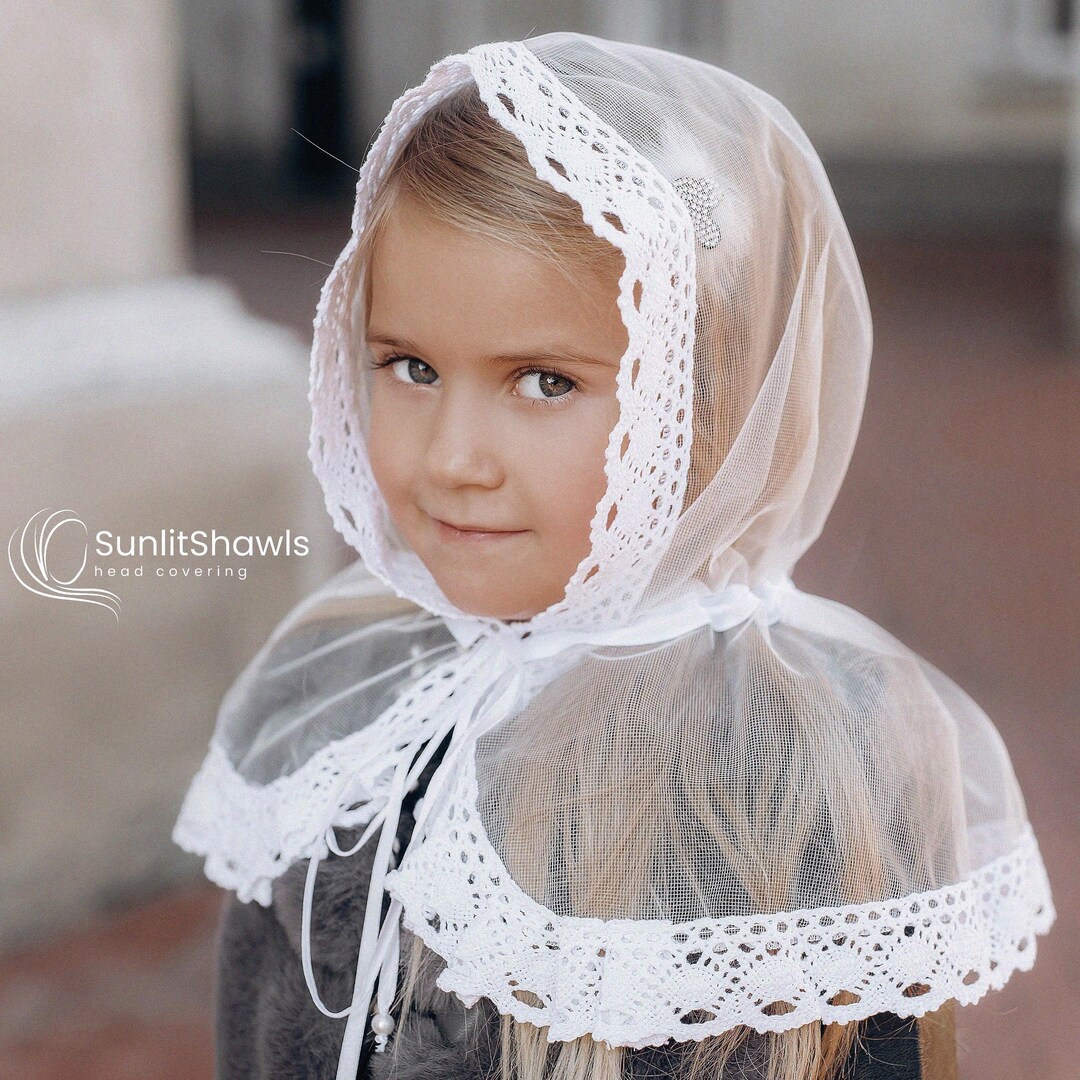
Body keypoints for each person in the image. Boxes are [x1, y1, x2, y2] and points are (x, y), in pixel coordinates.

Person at [174, 31, 1056, 1080]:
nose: (451, 458)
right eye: (408, 365)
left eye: (544, 381)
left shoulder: (794, 762)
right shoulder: (343, 696)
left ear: (703, 403)